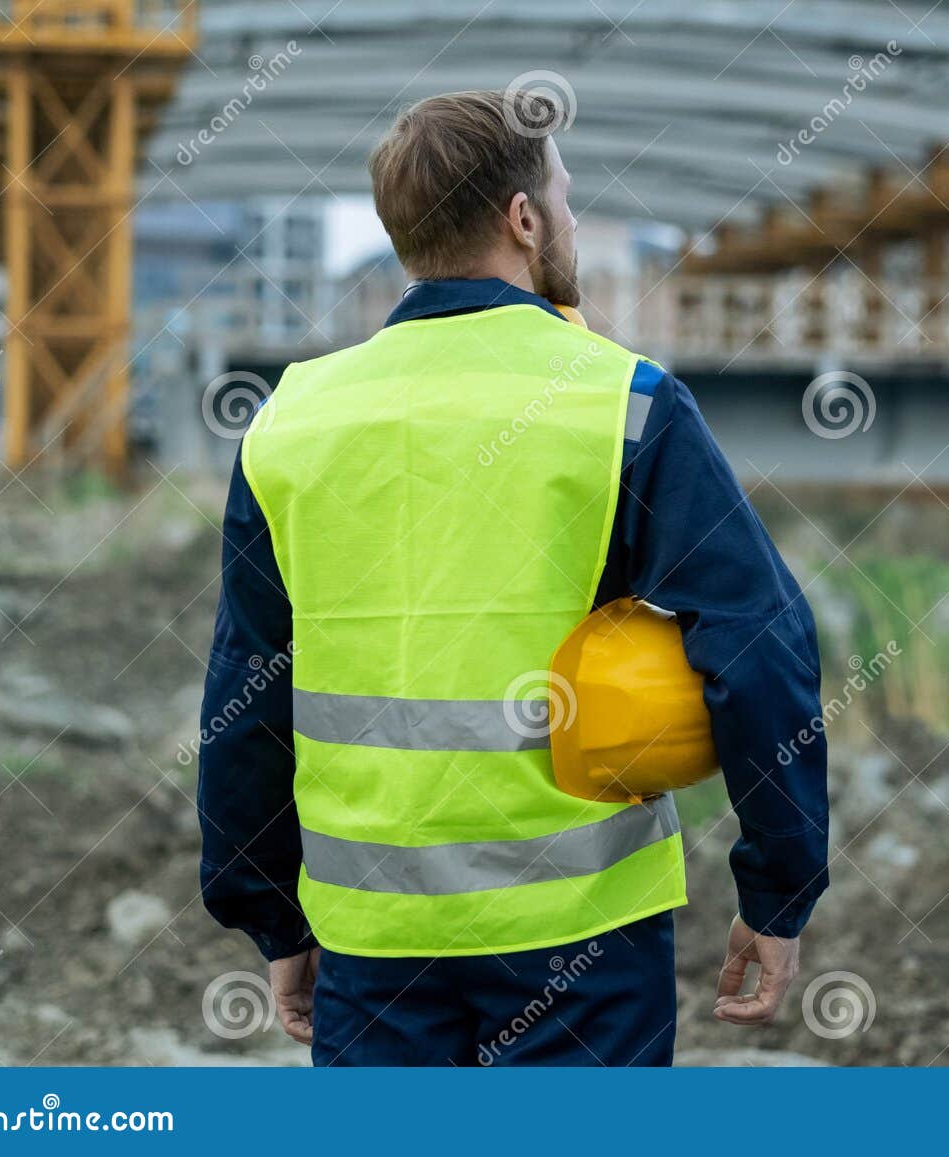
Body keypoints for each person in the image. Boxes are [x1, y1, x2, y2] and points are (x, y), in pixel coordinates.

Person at [197, 88, 828, 1066]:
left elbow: (247, 685)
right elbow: (756, 641)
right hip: (582, 937)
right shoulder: (625, 401)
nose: (569, 219)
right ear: (523, 218)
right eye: (566, 199)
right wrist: (778, 886)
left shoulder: (291, 419)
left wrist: (273, 915)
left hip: (374, 939)